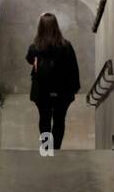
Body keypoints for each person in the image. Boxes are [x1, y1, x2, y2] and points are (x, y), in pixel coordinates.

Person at [26, 13, 80, 151]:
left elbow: (29, 59)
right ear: (56, 26)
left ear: (40, 27)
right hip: (62, 91)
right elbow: (73, 68)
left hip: (42, 91)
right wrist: (74, 89)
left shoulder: (35, 47)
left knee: (44, 119)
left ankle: (46, 149)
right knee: (59, 120)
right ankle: (56, 151)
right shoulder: (66, 46)